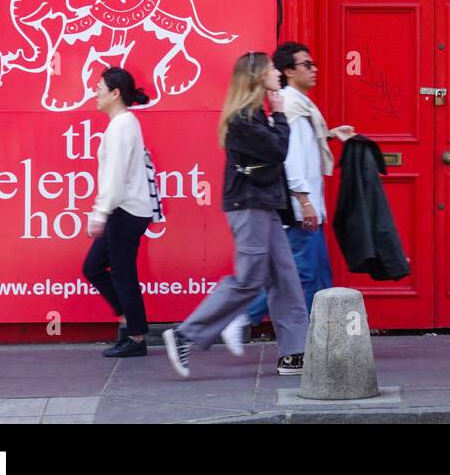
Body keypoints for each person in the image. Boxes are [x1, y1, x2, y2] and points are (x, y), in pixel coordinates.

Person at [163, 53, 309, 379]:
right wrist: (281, 115)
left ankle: (294, 353)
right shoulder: (242, 120)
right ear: (257, 77)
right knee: (248, 279)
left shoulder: (256, 116)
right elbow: (277, 151)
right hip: (249, 207)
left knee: (285, 279)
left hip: (265, 205)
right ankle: (186, 334)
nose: (276, 73)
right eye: (271, 69)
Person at [221, 42, 355, 353]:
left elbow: (302, 147)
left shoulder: (300, 104)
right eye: (307, 64)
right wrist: (303, 201)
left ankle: (322, 340)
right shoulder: (290, 106)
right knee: (300, 276)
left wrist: (331, 134)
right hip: (300, 207)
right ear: (290, 72)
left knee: (318, 274)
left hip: (310, 206)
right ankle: (247, 319)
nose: (314, 69)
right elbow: (289, 157)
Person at [82, 66, 163, 359]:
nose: (95, 93)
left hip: (124, 210)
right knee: (94, 268)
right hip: (127, 209)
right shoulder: (125, 123)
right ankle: (130, 322)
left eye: (99, 88)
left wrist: (100, 213)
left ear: (115, 93)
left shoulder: (121, 126)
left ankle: (136, 336)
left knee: (122, 274)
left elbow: (115, 177)